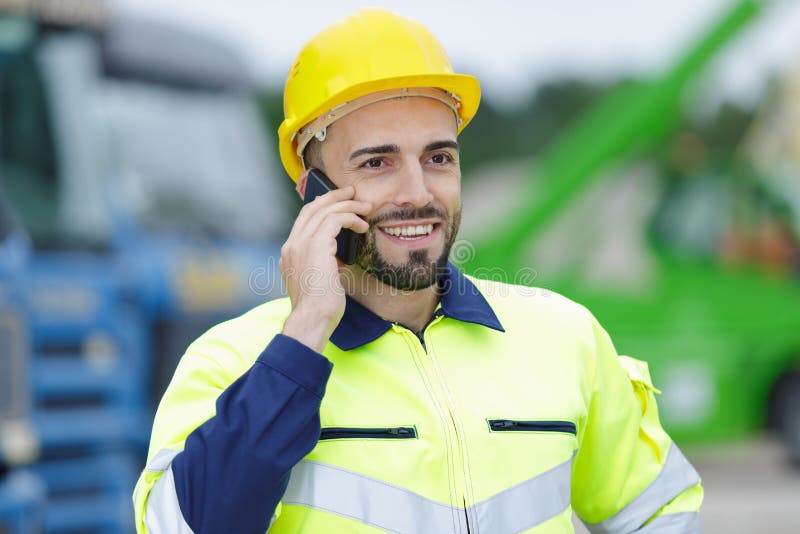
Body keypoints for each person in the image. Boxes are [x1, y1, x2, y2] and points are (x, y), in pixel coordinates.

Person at [133, 8, 703, 533]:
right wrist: (304, 335)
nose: (418, 192)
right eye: (378, 162)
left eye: (439, 158)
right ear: (315, 192)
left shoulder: (565, 338)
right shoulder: (231, 363)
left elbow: (662, 513)